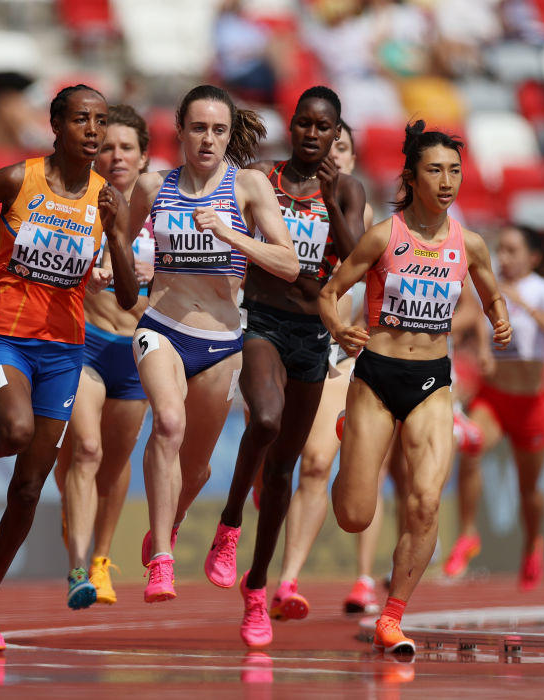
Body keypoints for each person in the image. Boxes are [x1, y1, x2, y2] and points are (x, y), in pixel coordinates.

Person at [0, 84, 137, 651]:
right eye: (80, 121)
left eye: (99, 121)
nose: (93, 131)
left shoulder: (105, 197)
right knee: (16, 432)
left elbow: (124, 294)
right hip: (7, 337)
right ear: (56, 126)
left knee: (28, 489)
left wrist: (116, 231)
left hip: (66, 349)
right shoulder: (16, 180)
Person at [319, 121, 511, 656]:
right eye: (435, 170)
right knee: (355, 514)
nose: (447, 181)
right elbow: (329, 293)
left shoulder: (468, 244)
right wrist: (339, 328)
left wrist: (500, 321)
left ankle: (394, 615)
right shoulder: (384, 236)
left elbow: (492, 295)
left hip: (431, 381)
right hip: (377, 376)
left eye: (454, 170)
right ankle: (348, 435)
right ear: (411, 176)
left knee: (426, 501)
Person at [201, 87, 365, 647]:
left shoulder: (347, 189)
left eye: (326, 129)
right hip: (263, 324)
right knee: (264, 422)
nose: (314, 135)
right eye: (305, 125)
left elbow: (355, 259)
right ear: (291, 129)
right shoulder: (261, 180)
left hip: (313, 337)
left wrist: (329, 193)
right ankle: (227, 525)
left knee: (283, 473)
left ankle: (256, 587)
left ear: (336, 136)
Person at [122, 84, 297, 605]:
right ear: (179, 131)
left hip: (222, 341)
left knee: (196, 466)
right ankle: (162, 563)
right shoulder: (153, 186)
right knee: (168, 424)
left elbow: (288, 264)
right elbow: (121, 241)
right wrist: (124, 264)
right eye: (198, 128)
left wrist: (230, 232)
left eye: (218, 130)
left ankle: (168, 527)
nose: (208, 139)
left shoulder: (247, 186)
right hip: (162, 327)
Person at [270, 120, 382, 616]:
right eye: (327, 145)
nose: (333, 154)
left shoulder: (368, 221)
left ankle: (289, 582)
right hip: (276, 335)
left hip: (340, 354)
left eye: (343, 148)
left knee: (321, 462)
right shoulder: (286, 198)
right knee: (275, 442)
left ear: (353, 161)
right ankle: (264, 475)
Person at [52, 104, 154, 609]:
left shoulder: (166, 206)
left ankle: (101, 558)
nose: (116, 155)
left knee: (114, 464)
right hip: (86, 340)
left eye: (126, 147)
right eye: (108, 146)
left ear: (143, 155)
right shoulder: (80, 200)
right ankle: (76, 568)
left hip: (137, 350)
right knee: (86, 450)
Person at [443, 224, 544, 590]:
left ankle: (532, 542)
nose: (505, 258)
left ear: (533, 257)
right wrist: (483, 350)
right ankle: (467, 534)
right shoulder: (490, 283)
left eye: (513, 251)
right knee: (471, 446)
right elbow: (480, 323)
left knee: (530, 489)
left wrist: (522, 303)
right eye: (502, 250)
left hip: (530, 404)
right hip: (495, 396)